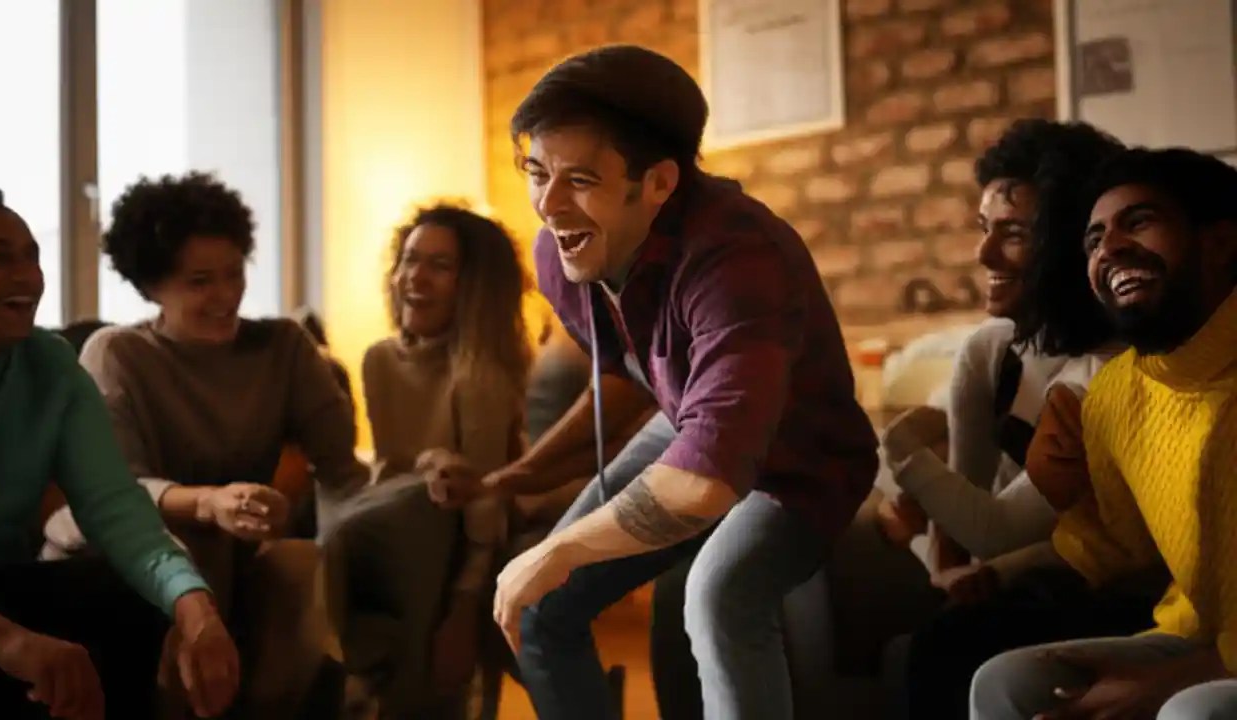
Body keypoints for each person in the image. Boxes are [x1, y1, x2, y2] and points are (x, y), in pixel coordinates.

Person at [434, 45, 879, 720]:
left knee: (718, 595)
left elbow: (704, 481)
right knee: (542, 607)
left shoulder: (739, 263)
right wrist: (516, 479)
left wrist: (559, 548)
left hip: (799, 465)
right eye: (537, 172)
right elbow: (628, 383)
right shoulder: (564, 253)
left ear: (660, 183)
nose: (550, 207)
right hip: (692, 427)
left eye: (580, 179)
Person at [41, 172, 367, 718]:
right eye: (199, 281)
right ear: (152, 287)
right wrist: (210, 503)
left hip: (241, 555)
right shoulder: (116, 353)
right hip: (126, 545)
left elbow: (343, 472)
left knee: (298, 563)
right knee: (191, 549)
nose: (225, 296)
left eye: (234, 273)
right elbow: (113, 491)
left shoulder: (284, 347)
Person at [969, 147, 1237, 719]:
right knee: (1005, 682)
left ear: (1218, 243)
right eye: (1094, 240)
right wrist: (1065, 494)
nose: (1110, 248)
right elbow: (1123, 552)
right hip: (1195, 634)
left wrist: (1173, 681)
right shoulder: (1115, 392)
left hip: (1213, 662)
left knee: (1192, 712)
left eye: (1138, 222)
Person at [0, 183, 238, 719]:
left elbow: (117, 509)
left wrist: (193, 606)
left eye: (31, 257)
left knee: (131, 599)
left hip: (1, 584)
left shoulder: (52, 366)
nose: (27, 276)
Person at [320, 204, 532, 718]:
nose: (415, 278)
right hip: (399, 523)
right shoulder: (379, 359)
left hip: (466, 534)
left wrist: (462, 611)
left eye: (439, 265)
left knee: (420, 508)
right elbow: (390, 467)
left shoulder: (481, 374)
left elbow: (484, 508)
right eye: (410, 260)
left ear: (473, 287)